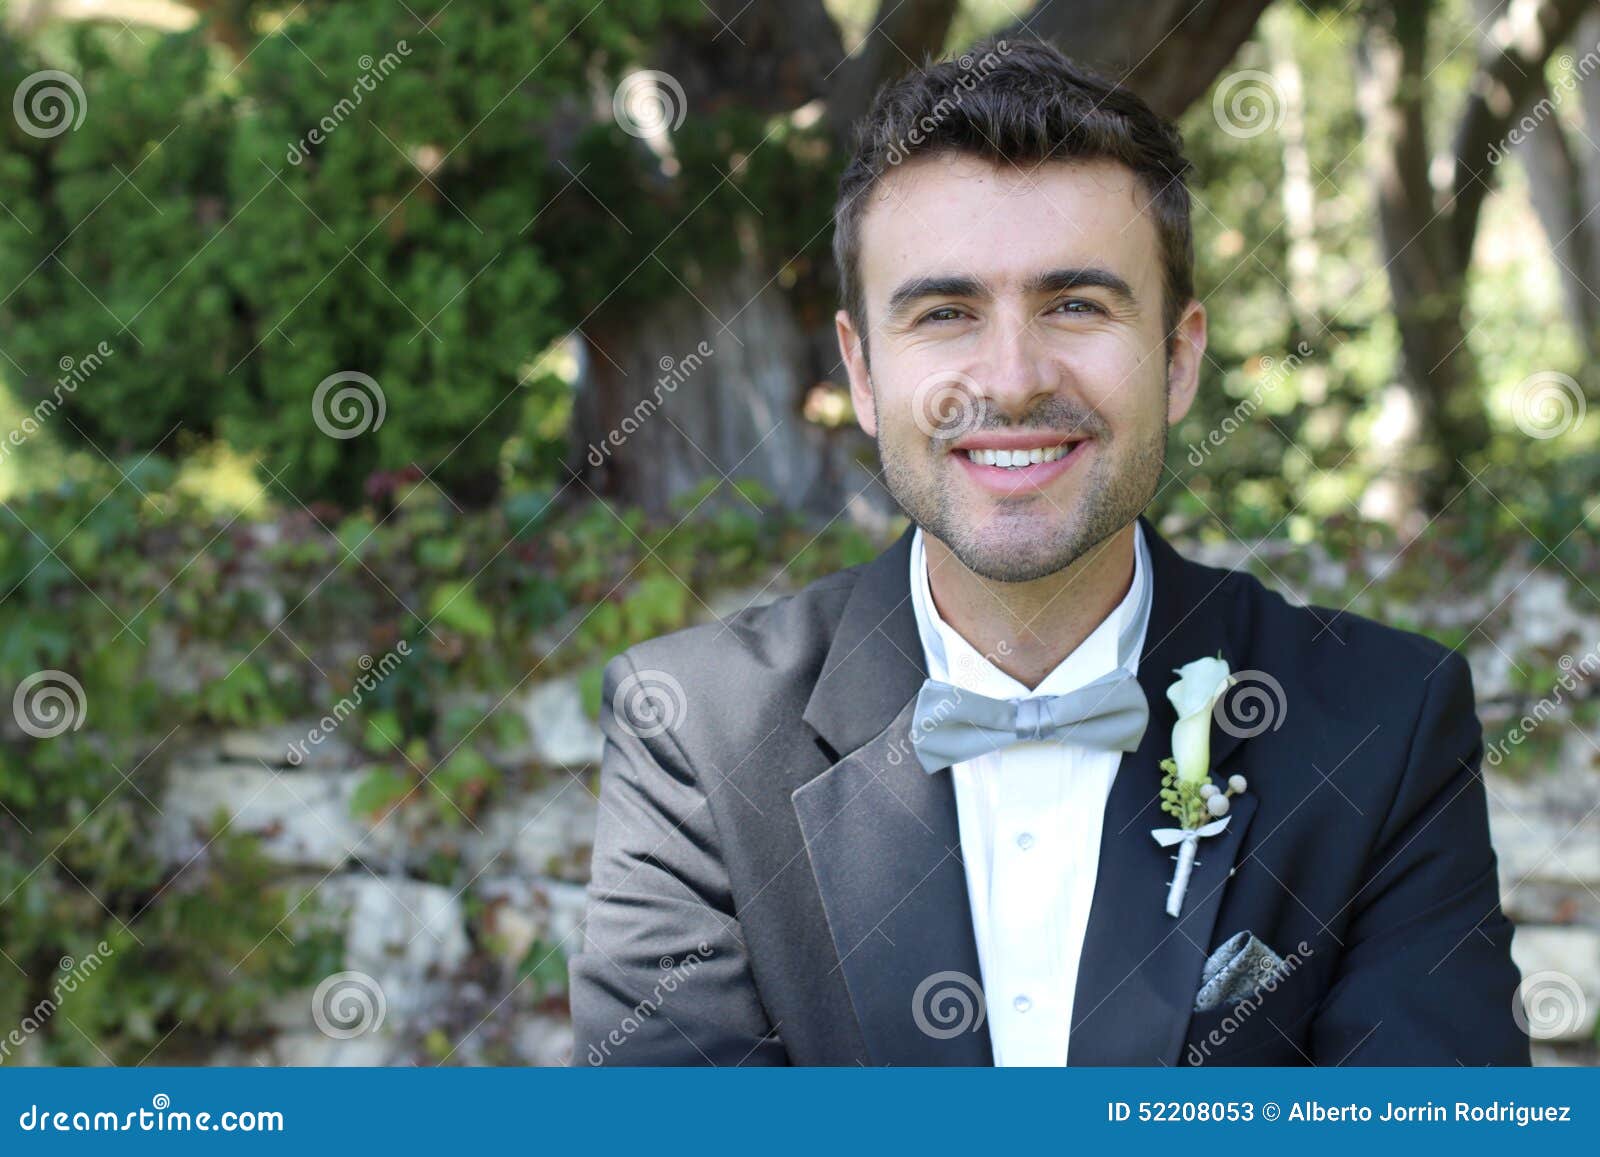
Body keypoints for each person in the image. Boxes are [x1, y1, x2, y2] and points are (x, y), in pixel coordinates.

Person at [568, 37, 1528, 1066]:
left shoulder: (1380, 725)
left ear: (1177, 355)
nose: (1014, 377)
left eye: (1074, 304)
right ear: (861, 370)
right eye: (944, 312)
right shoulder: (699, 736)